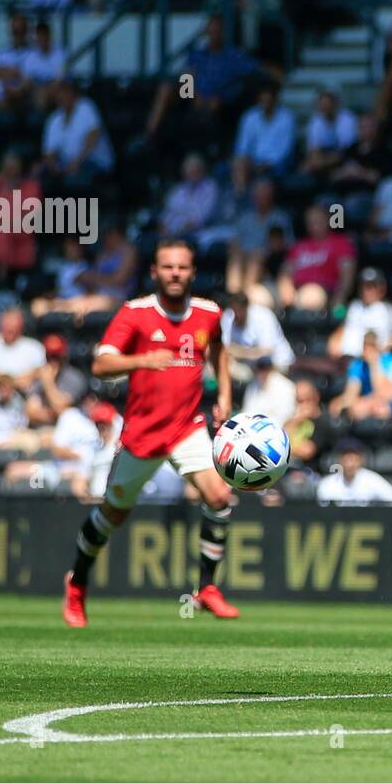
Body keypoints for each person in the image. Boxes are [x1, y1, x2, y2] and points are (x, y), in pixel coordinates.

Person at [60, 240, 237, 628]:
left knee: (220, 495)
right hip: (142, 433)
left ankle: (206, 588)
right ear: (154, 272)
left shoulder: (208, 313)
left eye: (183, 267)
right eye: (168, 267)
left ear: (193, 272)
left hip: (187, 426)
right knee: (113, 514)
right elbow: (101, 364)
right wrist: (142, 359)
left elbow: (220, 351)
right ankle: (78, 581)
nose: (176, 274)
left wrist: (224, 395)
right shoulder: (135, 313)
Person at [329, 267, 392, 360]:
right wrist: (334, 340)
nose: (366, 290)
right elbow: (342, 329)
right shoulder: (354, 306)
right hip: (346, 360)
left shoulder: (387, 309)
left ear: (381, 288)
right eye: (363, 286)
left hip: (374, 362)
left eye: (371, 286)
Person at [316, 438, 392, 504]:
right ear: (339, 460)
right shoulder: (327, 484)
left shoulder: (372, 480)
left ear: (361, 460)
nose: (350, 464)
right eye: (346, 459)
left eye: (354, 459)